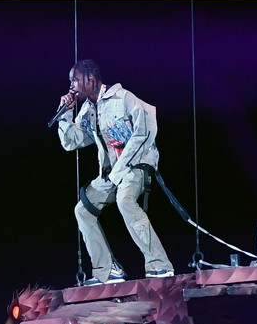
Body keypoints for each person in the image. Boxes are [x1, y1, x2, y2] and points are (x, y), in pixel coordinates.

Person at [55, 58, 175, 285]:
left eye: (75, 80)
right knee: (83, 210)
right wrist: (65, 114)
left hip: (137, 164)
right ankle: (108, 271)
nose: (71, 85)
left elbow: (145, 129)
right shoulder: (88, 111)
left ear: (90, 79)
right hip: (112, 173)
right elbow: (72, 142)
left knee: (125, 200)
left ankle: (159, 264)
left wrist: (121, 170)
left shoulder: (123, 98)